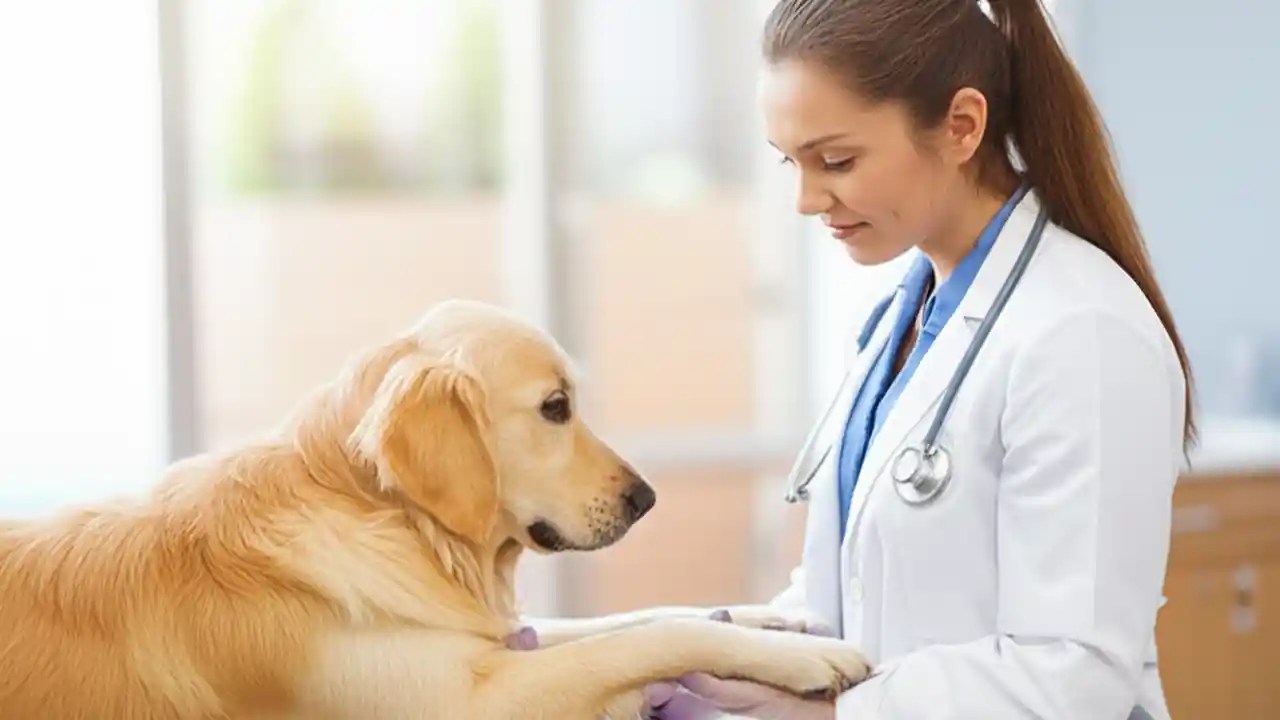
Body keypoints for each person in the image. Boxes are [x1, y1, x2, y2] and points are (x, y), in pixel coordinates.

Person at [638, 0, 1193, 717]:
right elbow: (860, 588)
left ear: (962, 126)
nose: (806, 199)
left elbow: (1073, 674)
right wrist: (718, 655)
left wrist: (832, 713)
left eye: (835, 160)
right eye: (791, 163)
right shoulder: (905, 321)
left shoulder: (1080, 332)